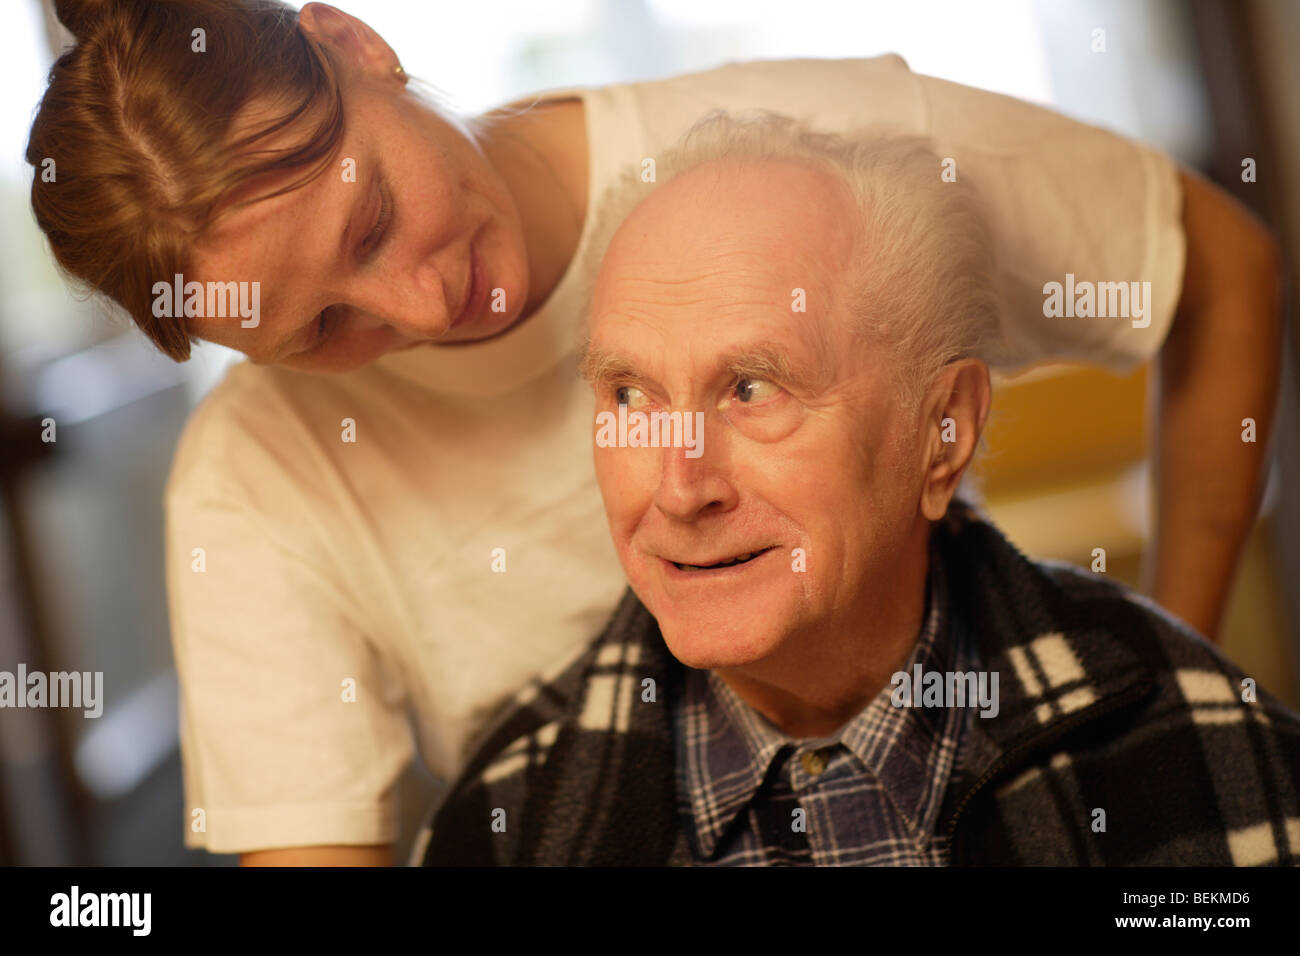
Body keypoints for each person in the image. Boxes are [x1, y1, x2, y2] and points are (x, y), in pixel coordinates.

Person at [24, 0, 1281, 864]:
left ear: (355, 43)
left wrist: (1160, 692)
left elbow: (1214, 265)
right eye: (318, 330)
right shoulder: (258, 484)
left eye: (368, 226)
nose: (415, 306)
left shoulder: (819, 163)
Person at [419, 114, 1300, 865]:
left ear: (941, 433)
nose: (680, 490)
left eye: (752, 389)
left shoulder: (1212, 754)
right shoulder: (500, 829)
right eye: (630, 396)